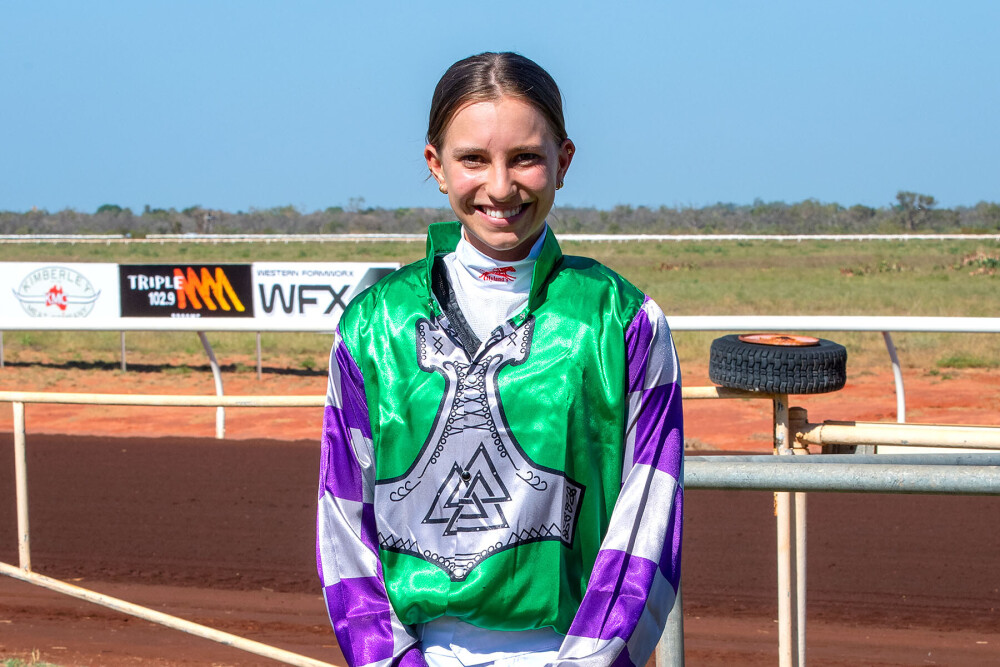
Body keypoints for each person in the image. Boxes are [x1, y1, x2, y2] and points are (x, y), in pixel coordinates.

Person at [317, 52, 683, 667]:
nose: (499, 187)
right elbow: (343, 517)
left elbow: (649, 515)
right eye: (472, 160)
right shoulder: (371, 326)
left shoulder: (622, 321)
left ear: (564, 162)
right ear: (435, 165)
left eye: (526, 158)